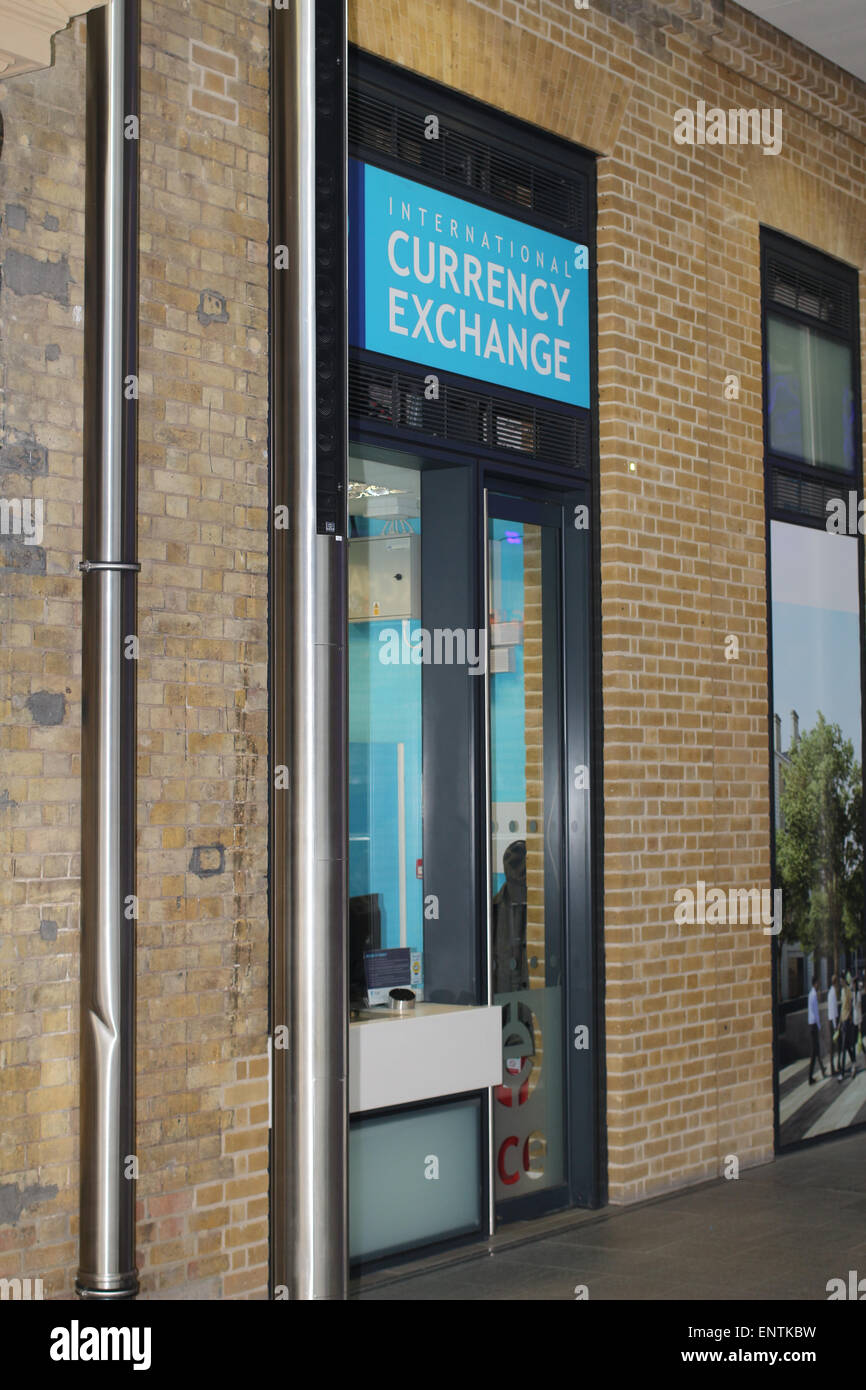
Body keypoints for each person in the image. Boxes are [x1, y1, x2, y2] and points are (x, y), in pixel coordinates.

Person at [808, 975, 826, 1084]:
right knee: (814, 1052)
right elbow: (816, 1012)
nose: (819, 985)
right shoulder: (814, 995)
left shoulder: (810, 994)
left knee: (817, 1049)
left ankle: (822, 1068)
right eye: (818, 983)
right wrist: (819, 1026)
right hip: (814, 1024)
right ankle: (810, 1077)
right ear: (815, 983)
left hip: (811, 1024)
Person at [838, 972, 854, 1082]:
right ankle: (853, 1063)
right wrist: (839, 1021)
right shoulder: (842, 991)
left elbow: (850, 1005)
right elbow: (842, 1007)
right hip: (842, 1021)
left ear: (844, 980)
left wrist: (849, 1017)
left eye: (841, 980)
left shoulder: (848, 990)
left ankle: (842, 1073)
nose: (840, 982)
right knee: (847, 1046)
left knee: (843, 1046)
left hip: (847, 1021)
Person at [827, 974, 839, 1076]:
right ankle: (832, 1067)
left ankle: (834, 1066)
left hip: (832, 1021)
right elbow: (833, 1010)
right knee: (833, 1045)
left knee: (833, 1045)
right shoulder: (832, 993)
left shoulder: (831, 992)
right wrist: (835, 1025)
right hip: (832, 1021)